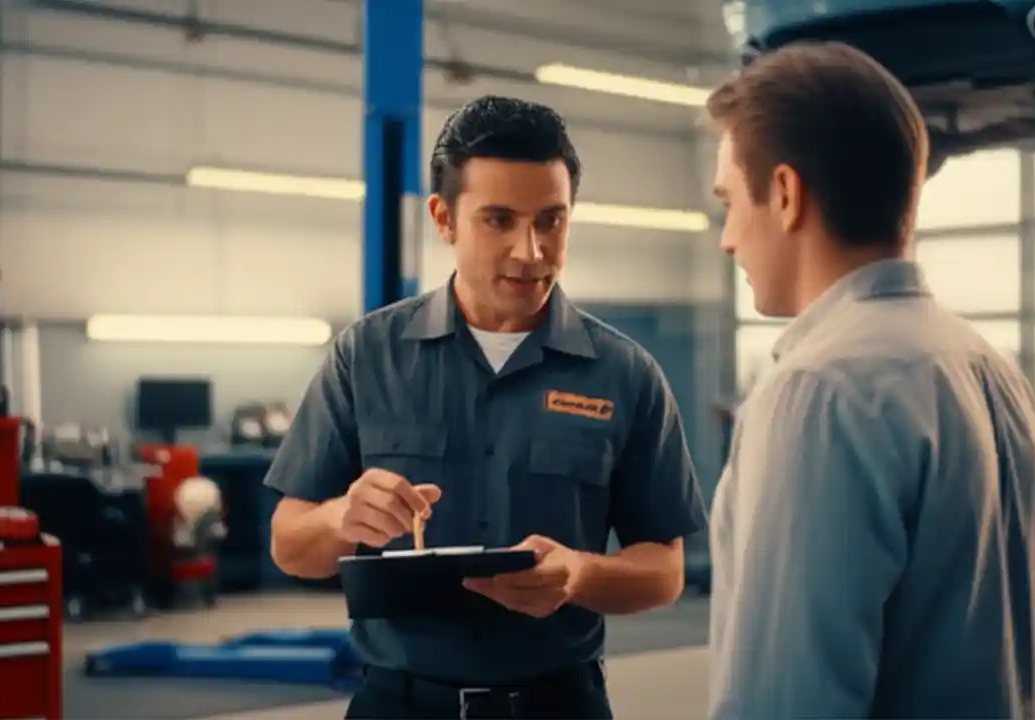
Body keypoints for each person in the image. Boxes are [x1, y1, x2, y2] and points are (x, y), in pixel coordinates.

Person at [266, 95, 706, 719]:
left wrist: (579, 574)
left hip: (560, 705)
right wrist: (344, 517)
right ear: (444, 218)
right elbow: (289, 543)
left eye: (551, 221)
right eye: (498, 220)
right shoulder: (367, 356)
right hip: (401, 705)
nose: (530, 250)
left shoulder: (625, 373)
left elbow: (664, 570)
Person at [705, 42, 1035, 719]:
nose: (727, 238)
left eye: (729, 203)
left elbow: (786, 701)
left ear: (783, 193)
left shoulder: (821, 391)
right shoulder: (986, 367)